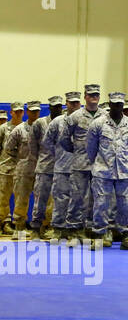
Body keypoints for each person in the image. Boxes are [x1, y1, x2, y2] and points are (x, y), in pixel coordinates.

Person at [85, 92, 128, 248]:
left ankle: (126, 236)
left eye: (120, 104)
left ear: (123, 105)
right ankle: (100, 235)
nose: (117, 107)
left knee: (126, 204)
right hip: (103, 171)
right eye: (114, 104)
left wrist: (126, 162)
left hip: (124, 171)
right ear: (109, 104)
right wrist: (99, 163)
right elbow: (90, 148)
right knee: (101, 203)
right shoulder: (98, 123)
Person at [62, 84, 104, 240]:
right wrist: (76, 151)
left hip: (99, 164)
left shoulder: (105, 116)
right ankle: (74, 229)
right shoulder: (75, 116)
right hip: (80, 163)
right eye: (91, 95)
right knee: (77, 197)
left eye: (97, 95)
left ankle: (92, 228)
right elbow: (64, 138)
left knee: (98, 198)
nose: (94, 97)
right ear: (85, 97)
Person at [25, 96, 63, 241]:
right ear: (50, 107)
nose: (57, 109)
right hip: (44, 167)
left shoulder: (65, 122)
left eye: (59, 106)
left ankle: (53, 227)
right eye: (54, 106)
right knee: (40, 199)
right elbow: (32, 145)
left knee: (58, 200)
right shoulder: (40, 123)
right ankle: (36, 227)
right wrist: (40, 159)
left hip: (61, 168)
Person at [48, 91, 81, 243]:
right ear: (66, 103)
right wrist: (58, 154)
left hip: (80, 168)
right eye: (71, 102)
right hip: (62, 166)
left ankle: (75, 230)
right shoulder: (57, 122)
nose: (74, 105)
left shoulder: (85, 120)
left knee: (79, 200)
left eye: (77, 102)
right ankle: (58, 229)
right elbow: (47, 141)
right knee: (60, 199)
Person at [7, 102, 39, 236]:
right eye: (32, 111)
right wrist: (20, 160)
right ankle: (19, 228)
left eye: (37, 111)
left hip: (41, 170)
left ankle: (42, 228)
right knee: (21, 200)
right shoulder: (19, 129)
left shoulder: (44, 128)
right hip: (23, 171)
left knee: (42, 200)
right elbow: (9, 148)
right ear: (27, 112)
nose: (35, 114)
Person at [0, 100, 20, 234]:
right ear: (11, 112)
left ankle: (18, 224)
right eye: (16, 111)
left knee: (20, 198)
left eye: (20, 111)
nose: (18, 114)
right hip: (6, 166)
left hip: (22, 168)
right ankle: (4, 223)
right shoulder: (3, 128)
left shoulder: (27, 128)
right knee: (3, 197)